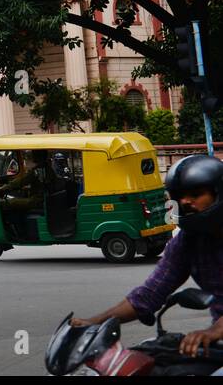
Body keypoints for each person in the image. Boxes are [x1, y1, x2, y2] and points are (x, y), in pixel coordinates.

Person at [70, 155, 223, 371]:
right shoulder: (188, 242)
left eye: (196, 195)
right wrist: (95, 322)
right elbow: (149, 294)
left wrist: (214, 331)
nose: (185, 202)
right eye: (180, 197)